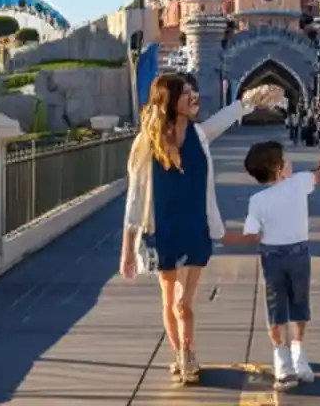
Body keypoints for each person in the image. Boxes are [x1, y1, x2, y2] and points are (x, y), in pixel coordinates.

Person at [120, 74, 284, 385]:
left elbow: (223, 120)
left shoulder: (198, 134)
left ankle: (188, 354)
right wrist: (127, 248)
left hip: (195, 227)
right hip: (162, 230)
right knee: (169, 299)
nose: (194, 96)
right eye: (186, 93)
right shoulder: (147, 142)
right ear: (171, 101)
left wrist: (250, 99)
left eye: (193, 91)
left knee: (184, 303)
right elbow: (136, 196)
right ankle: (180, 354)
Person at [224, 141, 320, 390]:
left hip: (272, 256)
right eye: (285, 160)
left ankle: (283, 359)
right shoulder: (299, 183)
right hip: (298, 254)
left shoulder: (258, 200)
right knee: (299, 303)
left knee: (276, 306)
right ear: (277, 167)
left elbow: (252, 235)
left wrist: (226, 238)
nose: (290, 163)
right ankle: (298, 354)